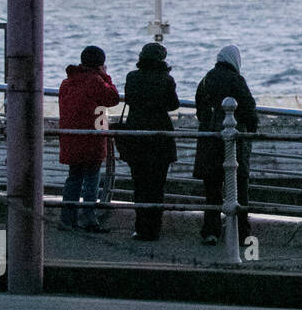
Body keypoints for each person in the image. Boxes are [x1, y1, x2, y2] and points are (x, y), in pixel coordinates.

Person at [192, 45, 258, 246]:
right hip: (232, 143)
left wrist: (209, 123)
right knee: (238, 189)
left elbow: (200, 108)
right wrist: (251, 128)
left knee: (212, 190)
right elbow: (248, 107)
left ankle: (210, 232)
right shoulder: (236, 80)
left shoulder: (206, 79)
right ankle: (242, 233)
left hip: (209, 140)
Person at [57, 45, 120, 233]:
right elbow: (113, 98)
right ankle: (89, 219)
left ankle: (67, 219)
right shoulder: (96, 81)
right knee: (91, 179)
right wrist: (106, 77)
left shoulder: (66, 83)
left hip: (70, 137)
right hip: (92, 138)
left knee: (73, 178)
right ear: (100, 64)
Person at [122, 42, 180, 241]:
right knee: (157, 185)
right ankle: (154, 228)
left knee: (139, 184)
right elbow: (173, 104)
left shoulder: (132, 77)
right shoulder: (166, 79)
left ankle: (140, 227)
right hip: (159, 137)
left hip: (136, 135)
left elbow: (129, 99)